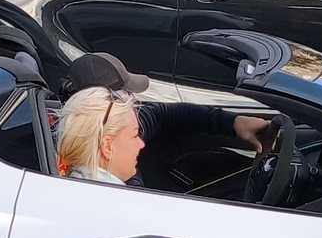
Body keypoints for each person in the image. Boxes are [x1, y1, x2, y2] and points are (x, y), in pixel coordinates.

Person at [64, 53, 276, 155]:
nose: (141, 143)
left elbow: (164, 115)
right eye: (126, 96)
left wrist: (232, 122)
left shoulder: (112, 128)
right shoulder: (112, 186)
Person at [57, 87, 146, 185]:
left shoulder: (69, 183)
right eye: (134, 135)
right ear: (108, 146)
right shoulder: (117, 198)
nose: (141, 144)